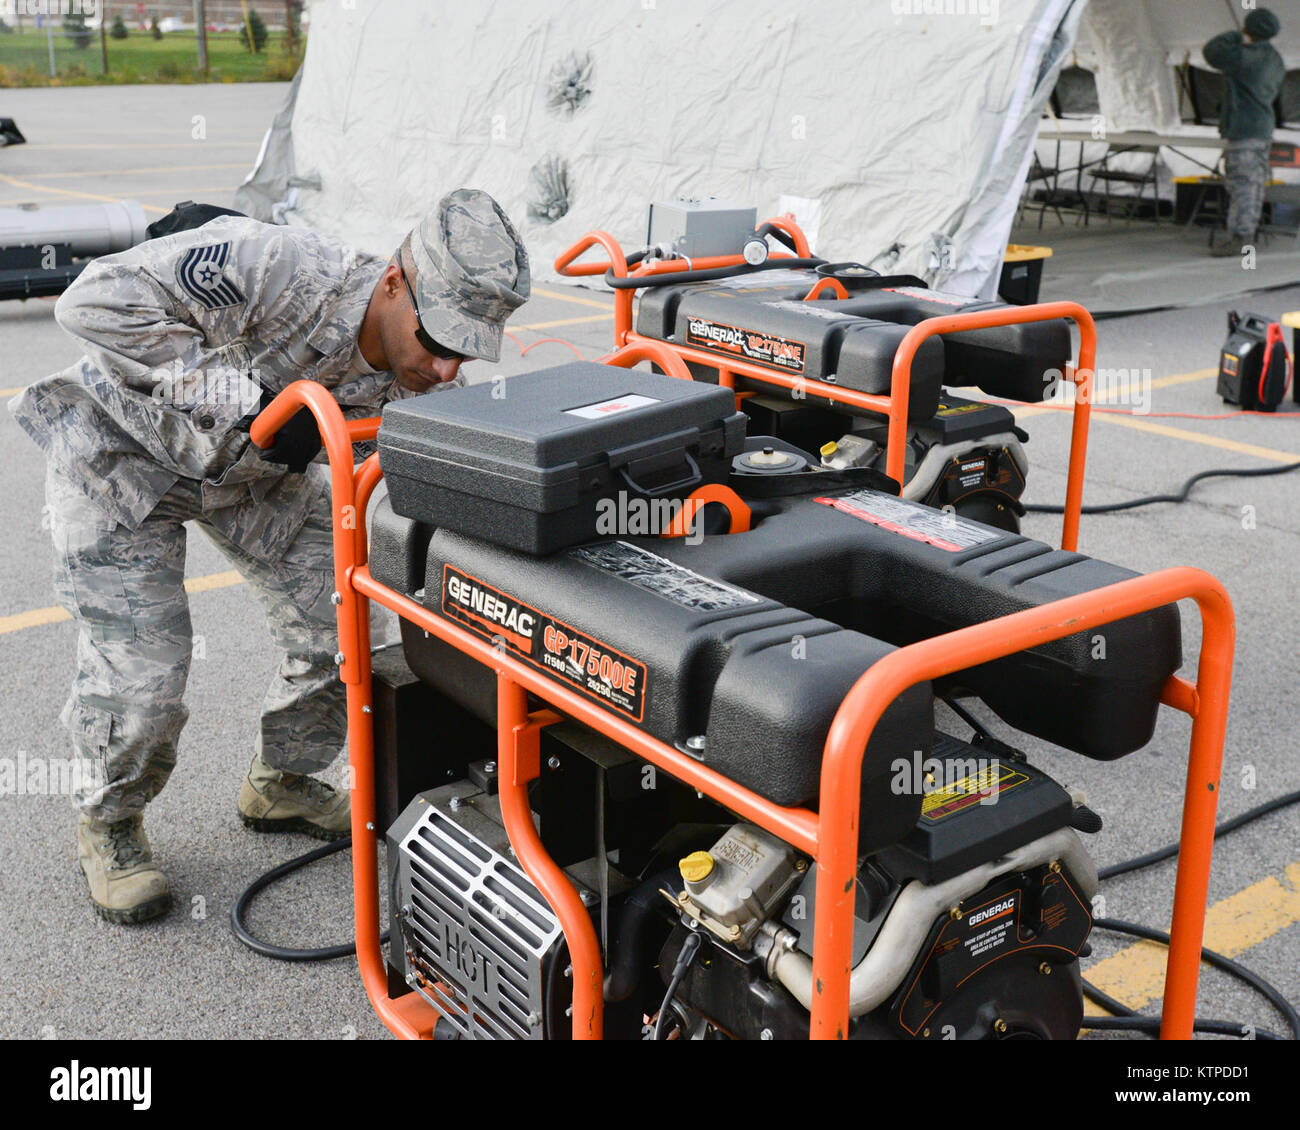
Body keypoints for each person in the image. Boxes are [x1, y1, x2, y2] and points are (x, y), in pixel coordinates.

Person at [8, 189, 530, 923]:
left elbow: (434, 481)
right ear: (392, 283)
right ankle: (111, 823)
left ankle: (282, 780)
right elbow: (93, 302)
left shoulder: (423, 383)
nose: (446, 369)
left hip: (247, 482)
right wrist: (242, 399)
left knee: (349, 624)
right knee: (147, 678)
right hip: (122, 461)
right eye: (438, 341)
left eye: (466, 352)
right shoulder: (282, 267)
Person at [1203, 8, 1286, 256]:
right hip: (1262, 129)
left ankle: (1240, 239)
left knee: (1242, 185)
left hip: (1244, 130)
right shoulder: (1276, 59)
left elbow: (1212, 51)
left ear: (1252, 29)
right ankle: (1248, 234)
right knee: (1255, 184)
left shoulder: (1245, 56)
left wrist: (1239, 35)